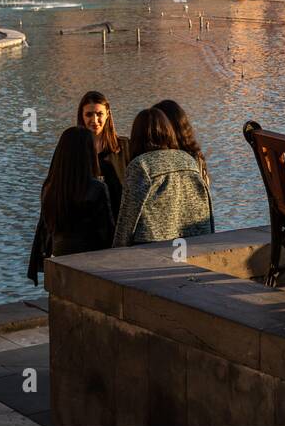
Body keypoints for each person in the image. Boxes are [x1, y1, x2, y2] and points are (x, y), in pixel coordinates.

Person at [26, 126, 115, 285]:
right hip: (90, 261)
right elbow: (106, 233)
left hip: (59, 255)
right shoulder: (97, 188)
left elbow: (46, 227)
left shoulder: (49, 187)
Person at [113, 108, 214, 247]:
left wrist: (117, 251)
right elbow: (206, 206)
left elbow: (128, 217)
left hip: (152, 248)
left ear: (137, 136)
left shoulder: (141, 165)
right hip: (191, 244)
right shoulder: (188, 160)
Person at [77, 91, 130, 222]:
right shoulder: (75, 150)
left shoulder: (125, 146)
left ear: (107, 114)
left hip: (119, 220)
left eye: (99, 114)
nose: (94, 120)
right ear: (81, 116)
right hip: (88, 223)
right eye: (89, 114)